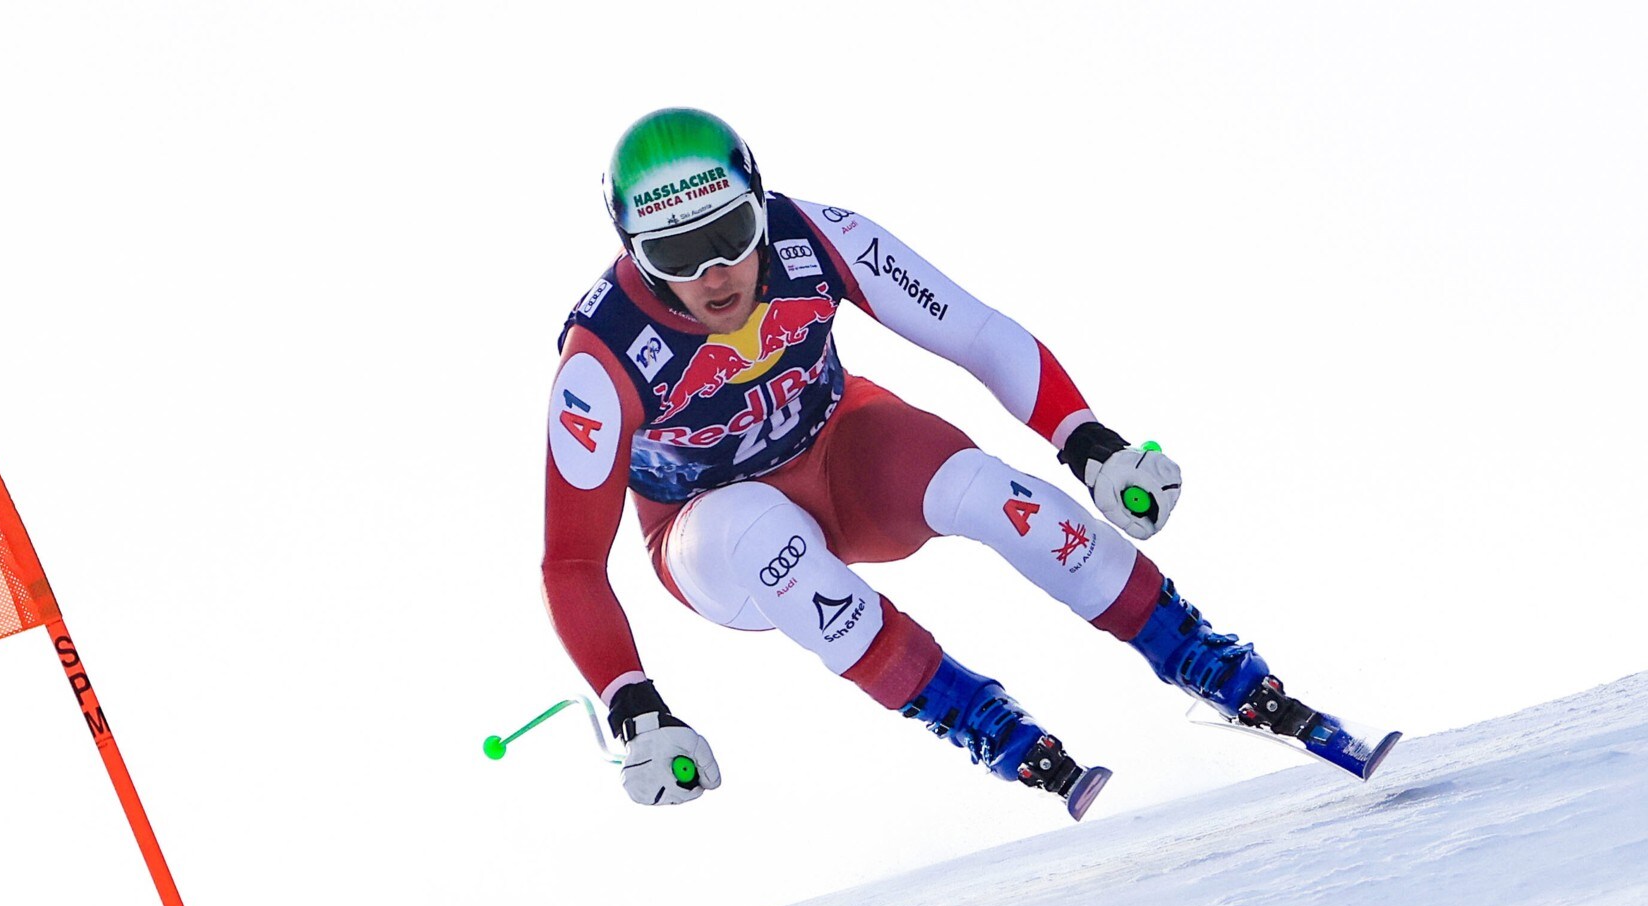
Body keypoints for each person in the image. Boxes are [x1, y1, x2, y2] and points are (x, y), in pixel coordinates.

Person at [541, 107, 1395, 816]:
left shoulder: (816, 237)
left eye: (731, 232)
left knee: (994, 492)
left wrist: (1086, 442)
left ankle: (1213, 663)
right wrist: (632, 704)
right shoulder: (602, 356)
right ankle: (978, 718)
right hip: (709, 532)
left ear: (760, 205)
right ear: (631, 252)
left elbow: (976, 331)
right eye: (675, 256)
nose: (715, 273)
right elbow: (572, 560)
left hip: (842, 451)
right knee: (764, 533)